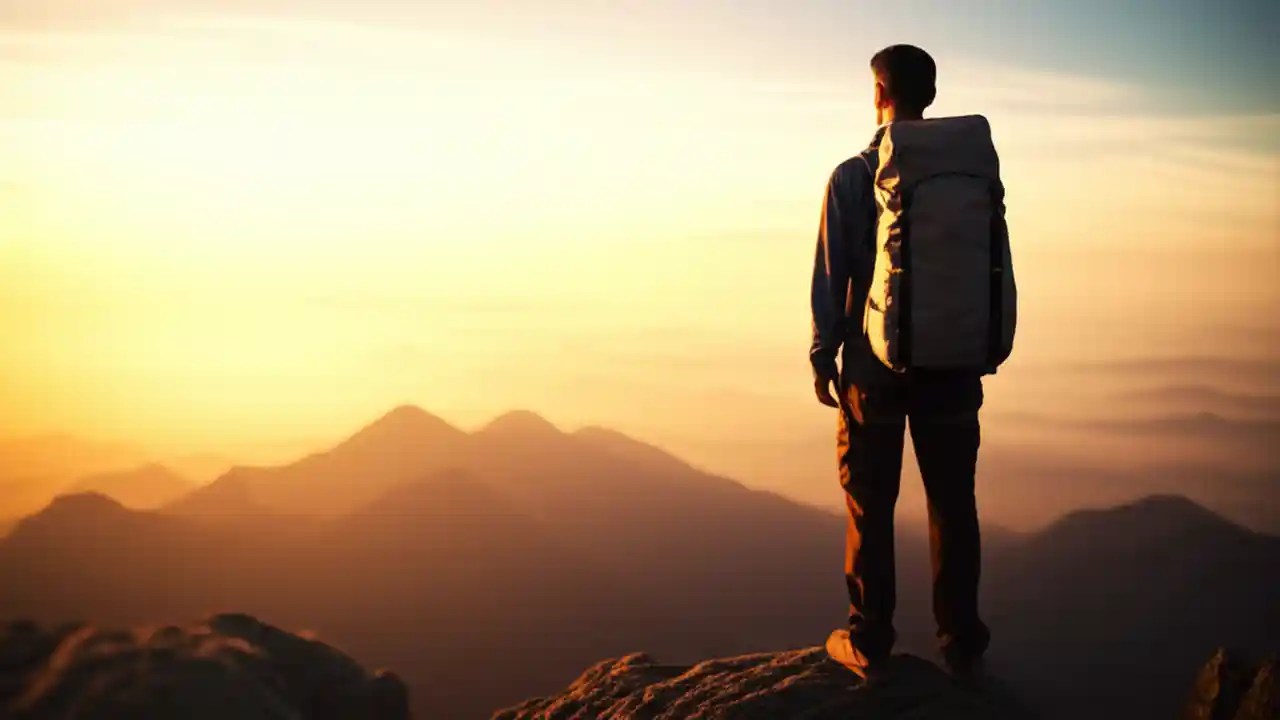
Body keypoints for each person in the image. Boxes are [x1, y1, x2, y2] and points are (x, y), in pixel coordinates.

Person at [810, 44, 991, 680]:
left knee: (870, 503)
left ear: (878, 92)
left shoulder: (854, 176)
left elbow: (832, 279)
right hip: (952, 367)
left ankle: (870, 640)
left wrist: (821, 353)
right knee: (952, 504)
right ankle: (962, 645)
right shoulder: (969, 179)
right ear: (932, 96)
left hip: (873, 374)